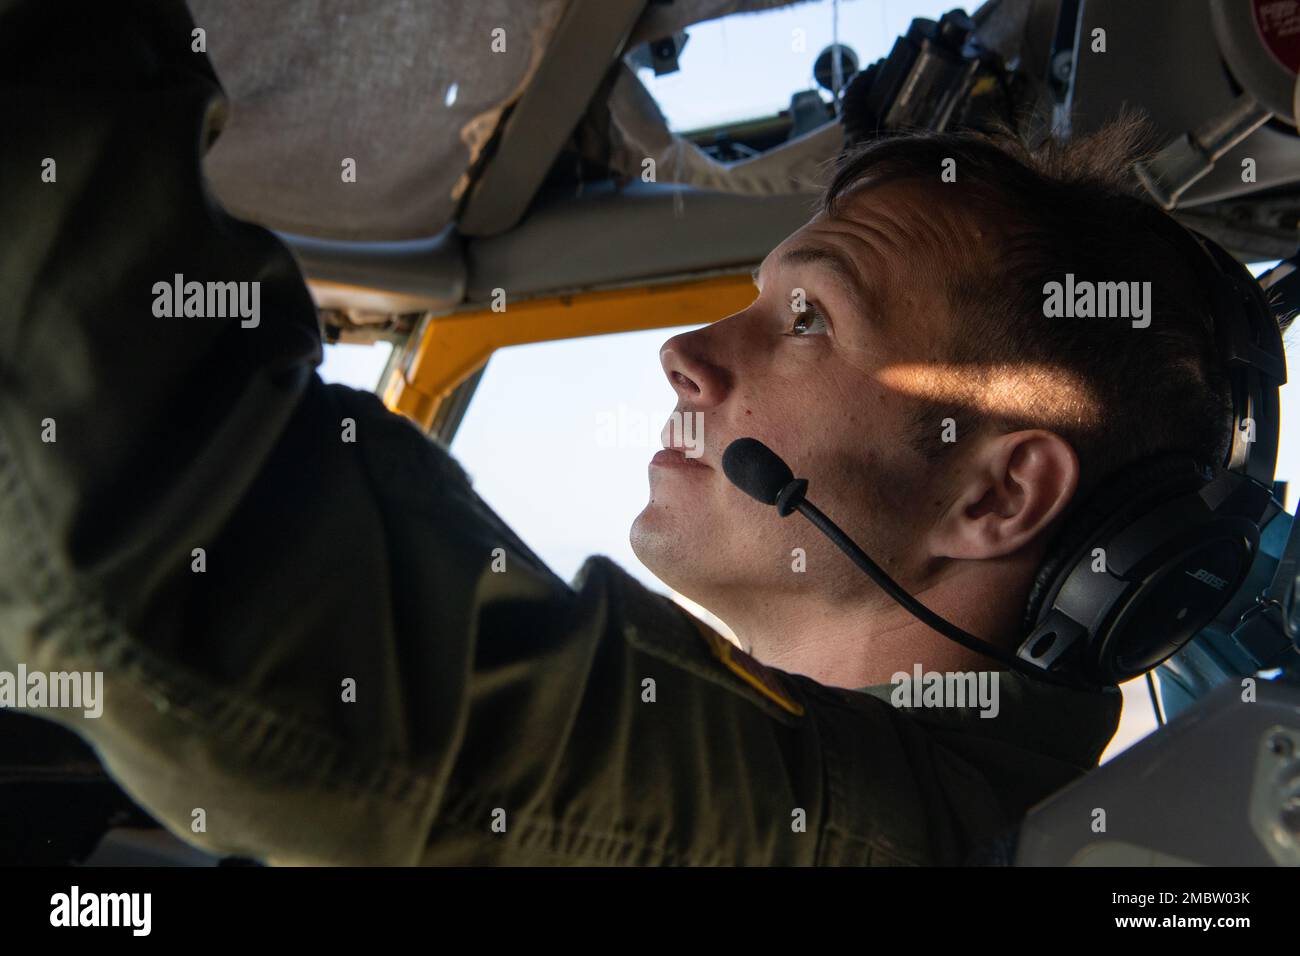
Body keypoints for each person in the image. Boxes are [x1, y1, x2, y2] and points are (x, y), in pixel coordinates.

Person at [3, 0, 1234, 866]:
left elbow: (141, 574)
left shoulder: (853, 837)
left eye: (809, 319)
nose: (686, 355)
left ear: (1000, 493)